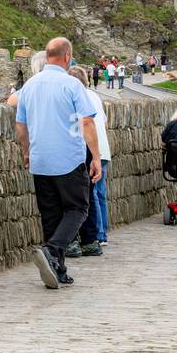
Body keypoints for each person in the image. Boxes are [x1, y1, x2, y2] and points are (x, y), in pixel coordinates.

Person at [15, 37, 102, 289]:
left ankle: (58, 268)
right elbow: (86, 122)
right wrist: (95, 157)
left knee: (51, 215)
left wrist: (26, 151)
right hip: (69, 159)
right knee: (78, 208)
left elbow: (21, 125)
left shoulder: (29, 86)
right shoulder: (71, 85)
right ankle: (52, 251)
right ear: (67, 56)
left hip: (40, 160)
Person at [68, 66, 111, 250]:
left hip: (89, 149)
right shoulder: (94, 96)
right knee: (99, 193)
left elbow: (84, 123)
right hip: (102, 148)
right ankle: (101, 234)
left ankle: (94, 236)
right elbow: (104, 121)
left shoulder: (76, 96)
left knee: (88, 194)